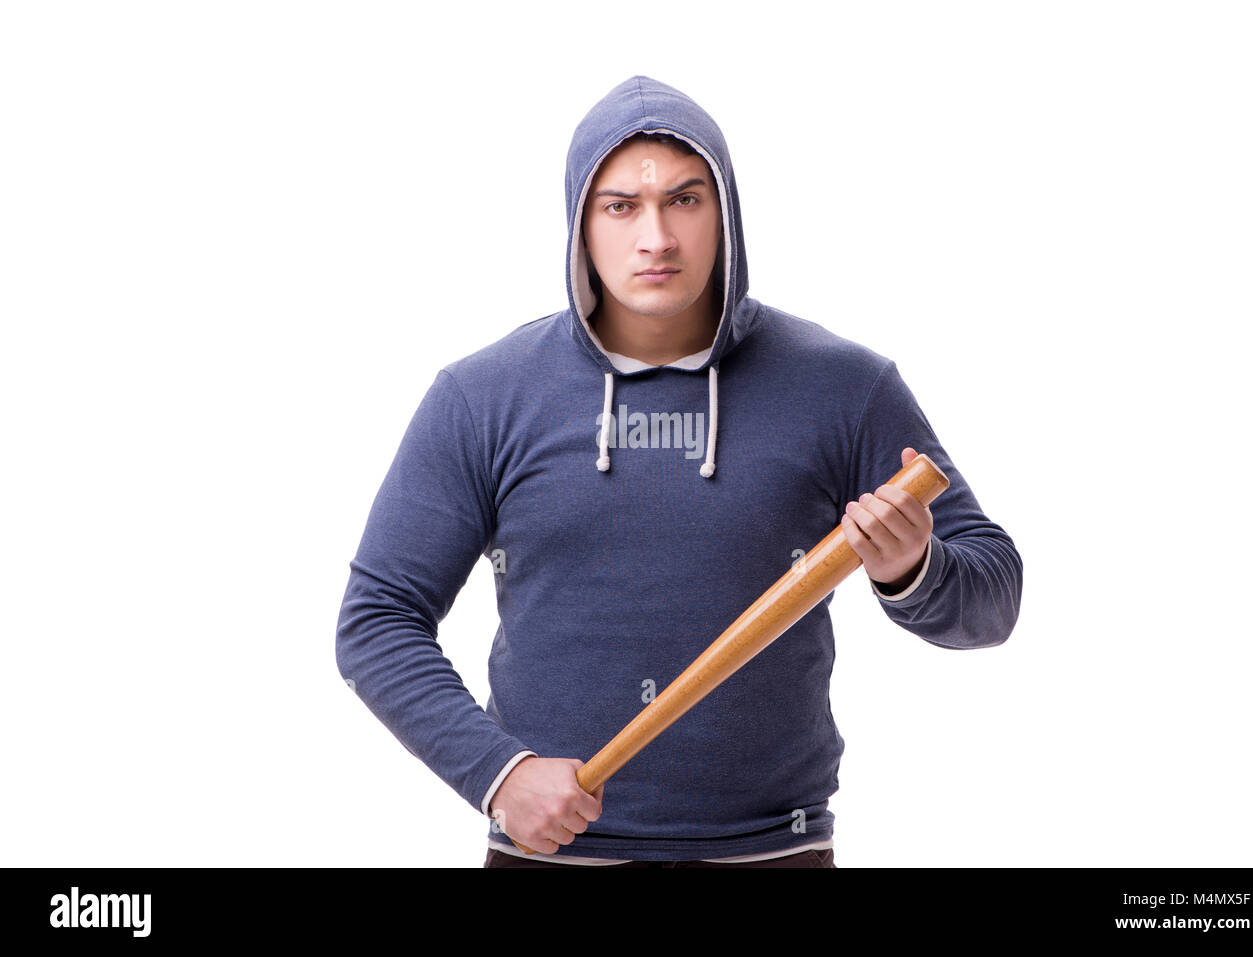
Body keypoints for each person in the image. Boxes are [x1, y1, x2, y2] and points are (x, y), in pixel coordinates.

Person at [335, 75, 1023, 868]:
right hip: (550, 853)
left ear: (724, 213)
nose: (655, 237)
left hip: (778, 852)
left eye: (686, 201)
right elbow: (377, 620)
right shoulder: (482, 397)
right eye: (621, 205)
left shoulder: (844, 387)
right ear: (580, 224)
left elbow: (992, 598)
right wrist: (498, 773)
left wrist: (914, 567)